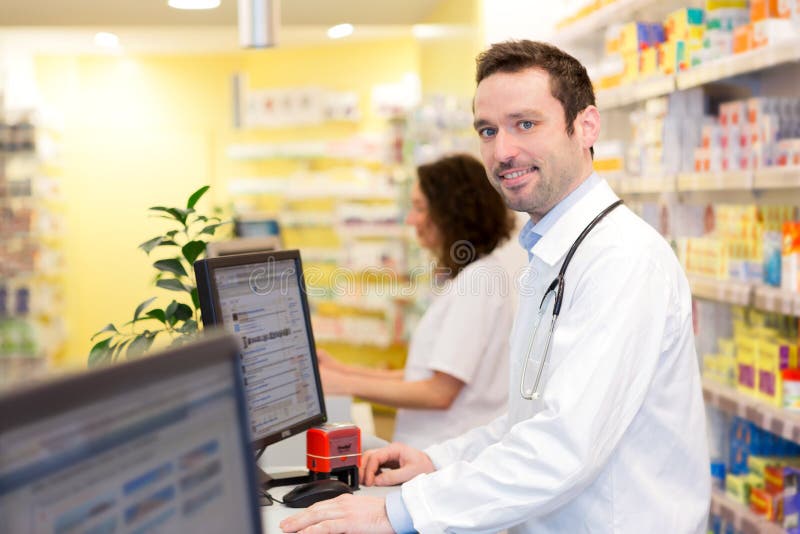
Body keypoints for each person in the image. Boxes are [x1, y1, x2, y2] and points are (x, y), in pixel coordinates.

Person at [281, 39, 710, 534]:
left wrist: (394, 511)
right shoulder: (551, 253)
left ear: (586, 125)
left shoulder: (622, 262)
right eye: (488, 130)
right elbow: (529, 419)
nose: (503, 151)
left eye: (526, 124)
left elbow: (562, 446)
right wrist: (437, 460)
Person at [319, 153, 516, 449]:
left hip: (446, 458)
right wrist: (341, 370)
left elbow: (439, 392)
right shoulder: (473, 278)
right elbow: (424, 373)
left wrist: (343, 385)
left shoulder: (478, 285)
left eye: (420, 208)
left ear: (451, 212)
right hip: (437, 454)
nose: (411, 219)